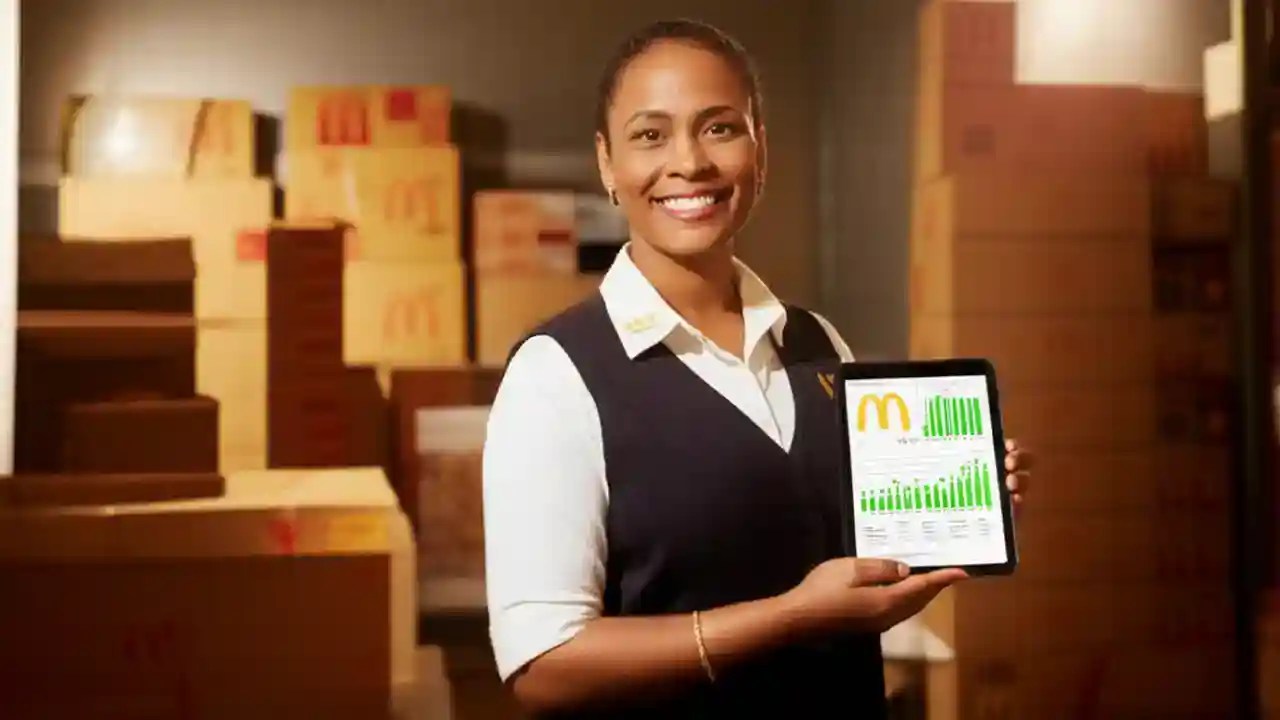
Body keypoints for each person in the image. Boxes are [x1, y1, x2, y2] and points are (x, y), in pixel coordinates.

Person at [482, 18, 1032, 718]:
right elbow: (542, 667)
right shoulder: (557, 375)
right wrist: (792, 616)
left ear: (760, 147)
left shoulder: (816, 343)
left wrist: (958, 502)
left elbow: (840, 575)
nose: (689, 162)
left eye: (720, 128)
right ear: (606, 164)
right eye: (651, 135)